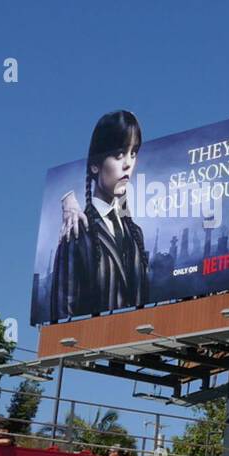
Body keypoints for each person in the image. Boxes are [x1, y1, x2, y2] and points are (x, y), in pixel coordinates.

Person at [49, 111, 150, 319]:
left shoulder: (135, 234)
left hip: (139, 343)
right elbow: (61, 316)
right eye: (119, 154)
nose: (128, 164)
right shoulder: (77, 230)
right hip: (91, 347)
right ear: (95, 164)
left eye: (133, 153)